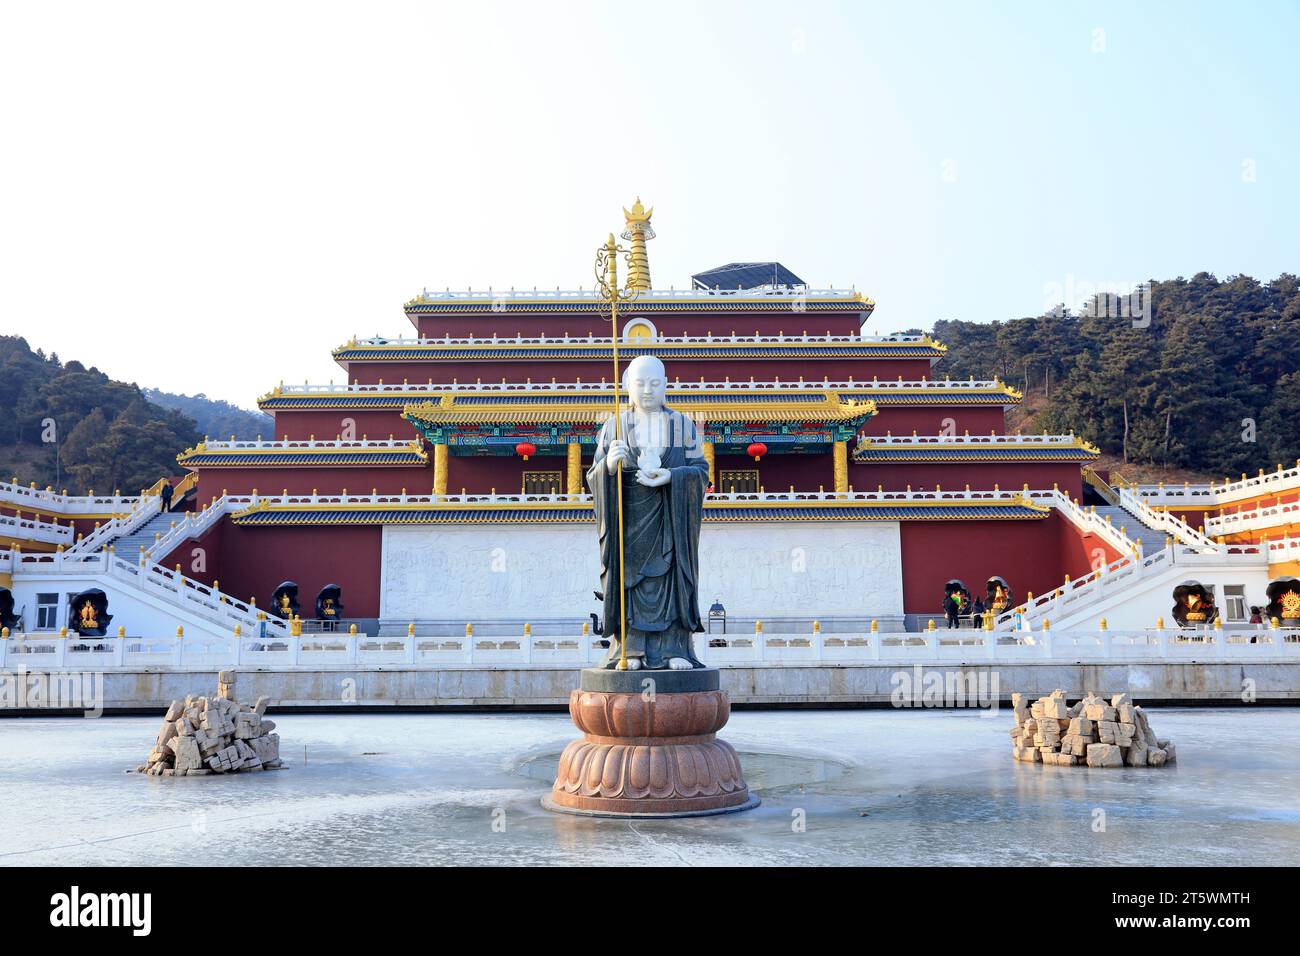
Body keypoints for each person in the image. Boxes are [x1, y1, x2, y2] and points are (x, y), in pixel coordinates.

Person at [588, 354, 710, 671]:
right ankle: (631, 650)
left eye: (655, 383)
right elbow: (593, 477)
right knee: (630, 585)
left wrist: (672, 477)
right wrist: (609, 466)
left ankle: (674, 649)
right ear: (627, 386)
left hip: (671, 519)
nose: (647, 390)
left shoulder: (683, 425)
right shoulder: (613, 426)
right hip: (628, 524)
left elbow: (701, 471)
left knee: (672, 580)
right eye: (640, 383)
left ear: (666, 385)